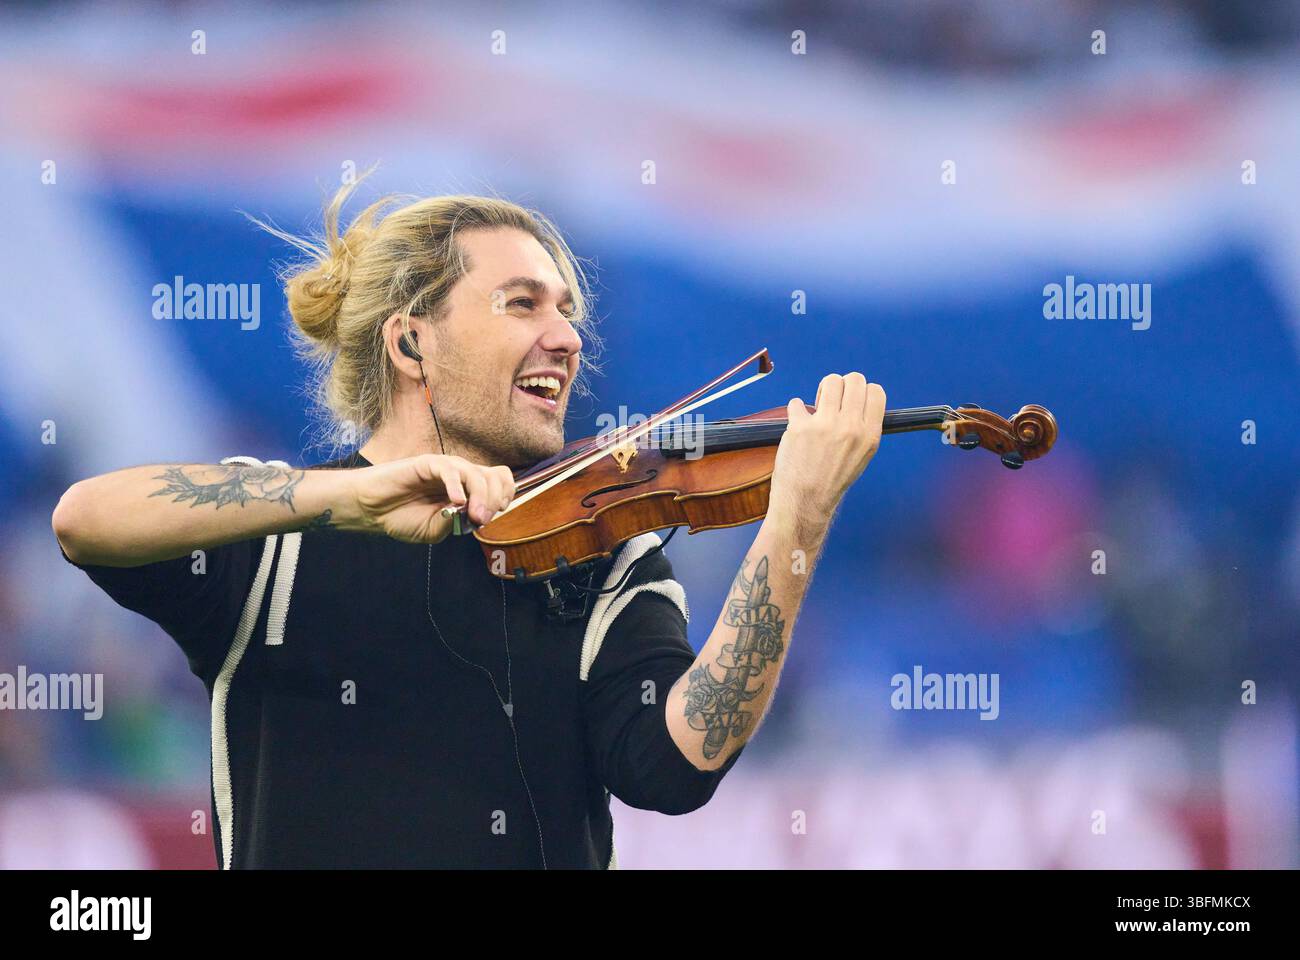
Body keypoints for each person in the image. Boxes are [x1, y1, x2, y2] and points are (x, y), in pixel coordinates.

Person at [51, 178, 886, 868]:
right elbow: (85, 520)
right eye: (521, 304)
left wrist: (797, 524)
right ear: (412, 344)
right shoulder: (275, 529)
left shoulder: (603, 550)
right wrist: (341, 499)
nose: (565, 338)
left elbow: (678, 762)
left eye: (567, 313)